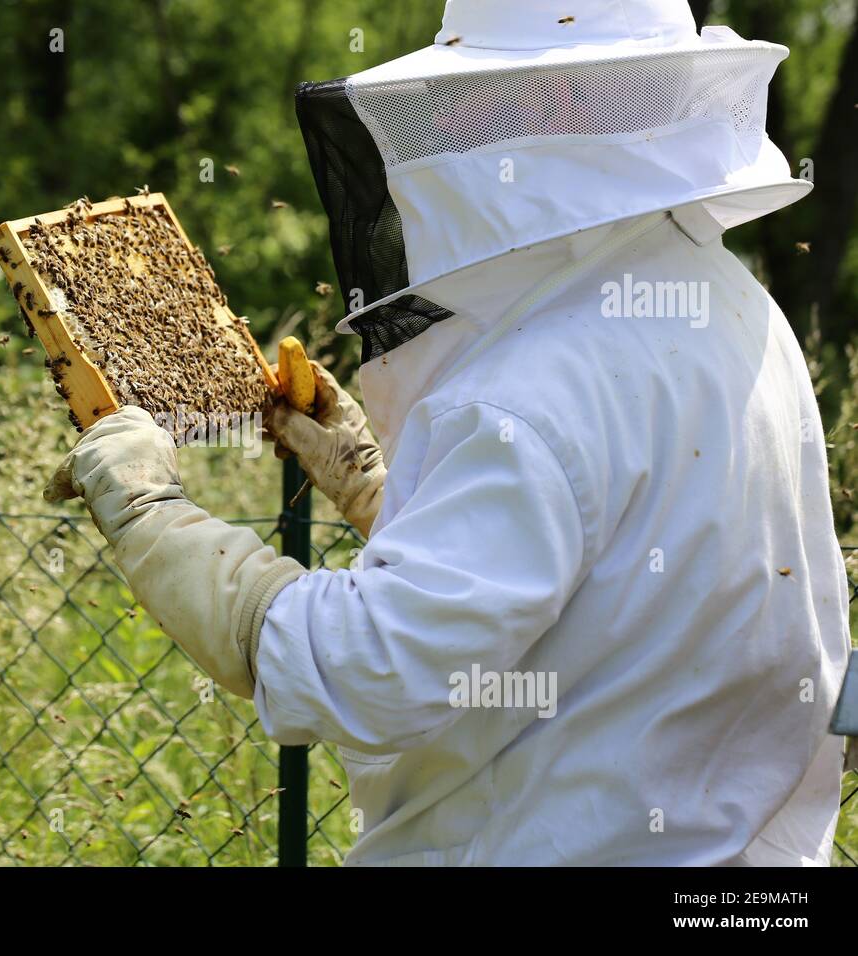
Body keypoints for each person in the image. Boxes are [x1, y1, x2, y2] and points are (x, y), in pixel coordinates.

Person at [45, 0, 849, 865]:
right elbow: (594, 572)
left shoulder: (528, 391)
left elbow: (366, 670)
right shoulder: (728, 303)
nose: (456, 122)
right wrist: (371, 488)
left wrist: (150, 513)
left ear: (562, 109)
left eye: (483, 95)